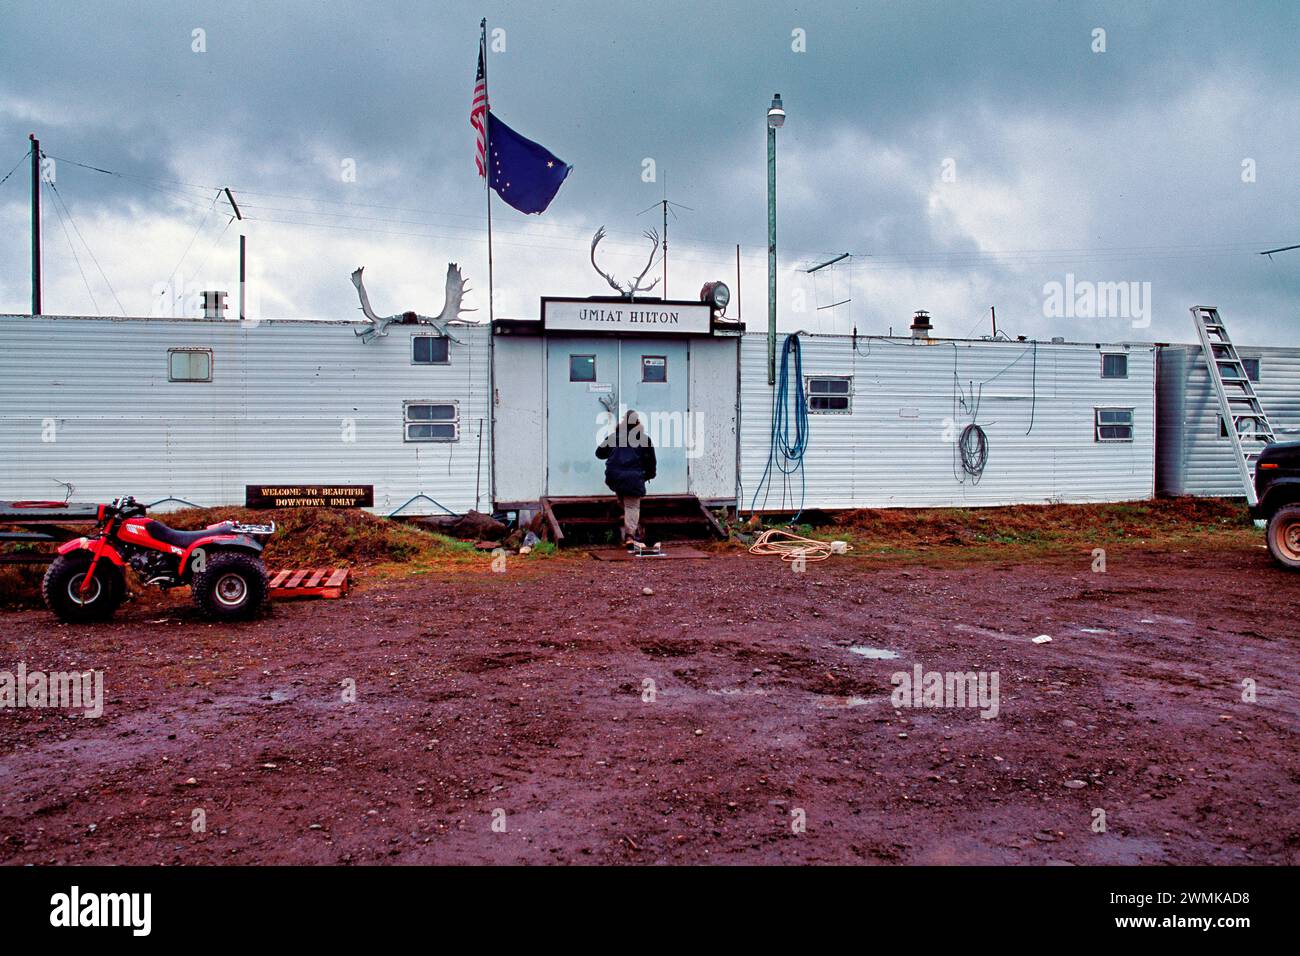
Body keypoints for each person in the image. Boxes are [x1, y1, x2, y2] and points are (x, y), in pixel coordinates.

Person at [596, 409, 656, 547]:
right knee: (632, 505)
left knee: (624, 495)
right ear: (637, 423)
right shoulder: (644, 439)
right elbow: (651, 462)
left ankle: (626, 518)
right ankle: (630, 536)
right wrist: (648, 475)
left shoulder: (614, 437)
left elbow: (599, 453)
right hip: (633, 478)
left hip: (613, 476)